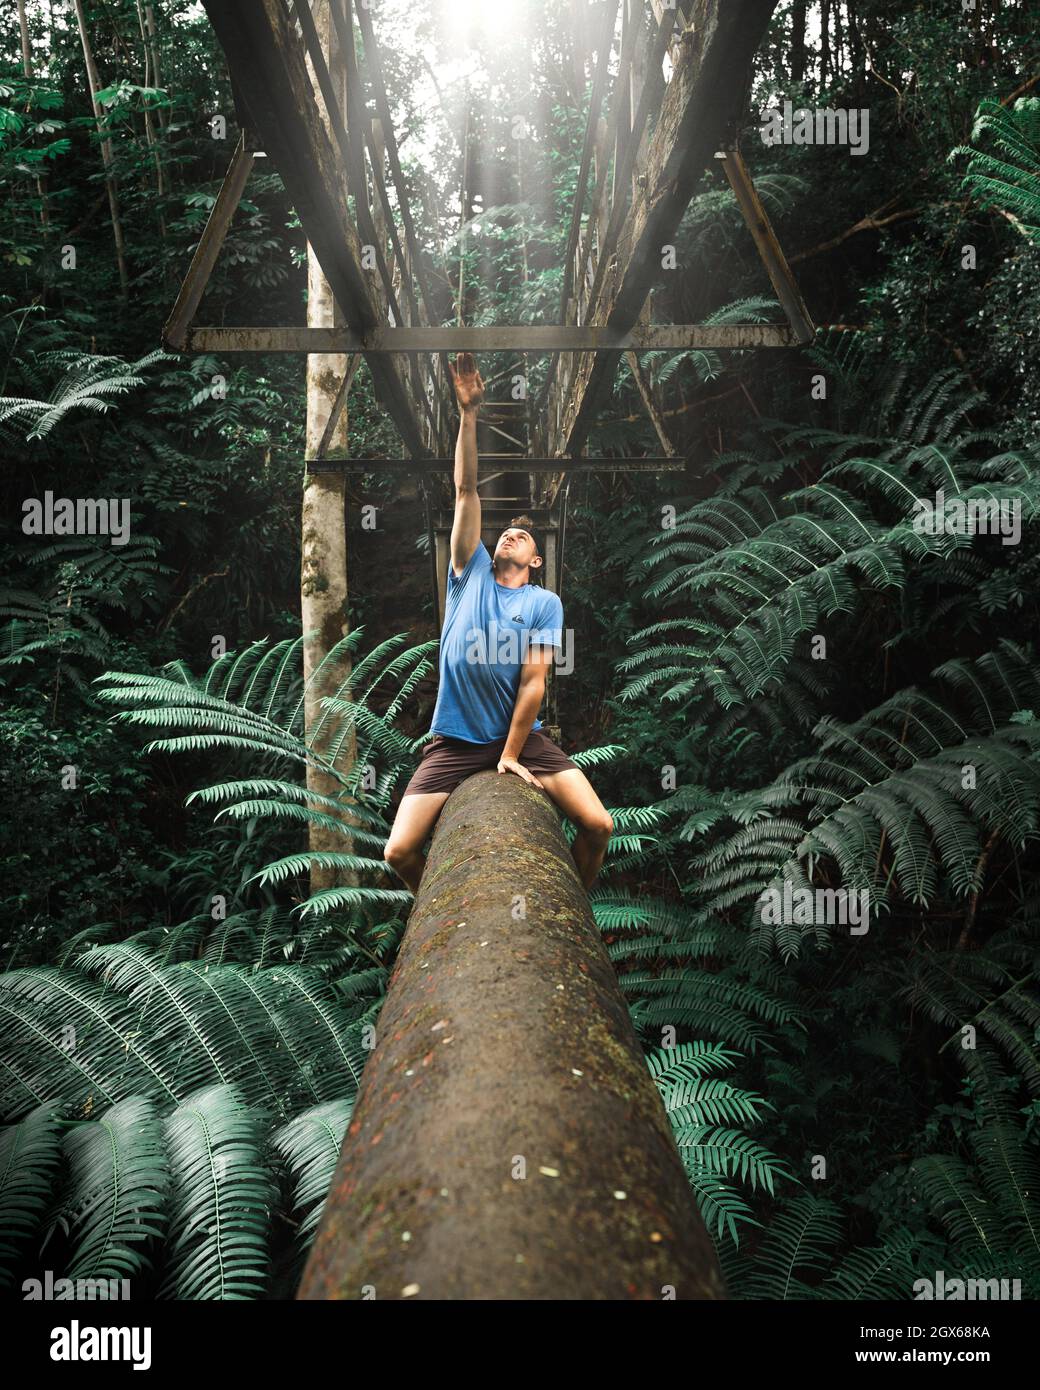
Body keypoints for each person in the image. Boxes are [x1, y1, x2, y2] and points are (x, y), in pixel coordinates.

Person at [383, 352, 614, 895]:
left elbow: (534, 683)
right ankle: (436, 913)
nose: (510, 535)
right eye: (505, 532)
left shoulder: (544, 602)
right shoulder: (470, 573)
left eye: (523, 536)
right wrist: (468, 414)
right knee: (398, 851)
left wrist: (510, 754)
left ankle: (570, 909)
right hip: (456, 741)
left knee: (599, 826)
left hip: (520, 740)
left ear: (536, 559)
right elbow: (466, 491)